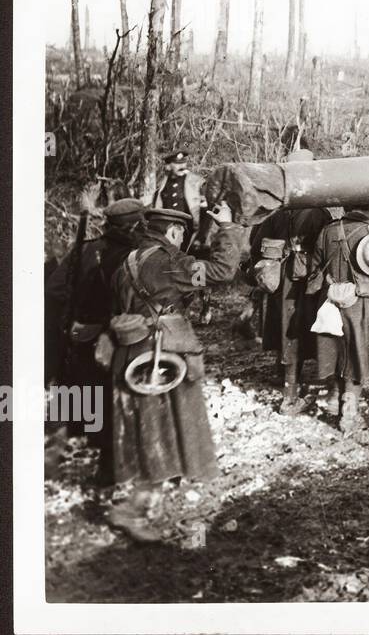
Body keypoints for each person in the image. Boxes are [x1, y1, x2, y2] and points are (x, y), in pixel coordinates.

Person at [102, 203, 240, 542]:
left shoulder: (127, 262)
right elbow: (221, 271)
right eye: (181, 235)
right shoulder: (170, 261)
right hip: (164, 357)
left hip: (132, 353)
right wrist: (227, 228)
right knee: (160, 434)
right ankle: (136, 511)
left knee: (147, 432)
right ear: (174, 232)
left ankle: (150, 507)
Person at [44, 198, 149, 471]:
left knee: (81, 385)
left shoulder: (87, 249)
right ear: (135, 225)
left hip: (83, 335)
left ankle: (76, 435)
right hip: (120, 336)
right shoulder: (141, 254)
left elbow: (54, 290)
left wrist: (72, 315)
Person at [250, 149, 332, 414]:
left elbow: (255, 245)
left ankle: (283, 375)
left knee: (284, 325)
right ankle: (290, 396)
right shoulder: (319, 212)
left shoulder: (275, 210)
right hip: (303, 278)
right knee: (296, 330)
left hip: (279, 277)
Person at [308, 208, 369, 433]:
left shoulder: (327, 230)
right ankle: (349, 412)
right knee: (357, 358)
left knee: (337, 353)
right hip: (361, 305)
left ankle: (334, 397)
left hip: (330, 300)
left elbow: (315, 266)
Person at [151, 149, 205, 234]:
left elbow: (204, 209)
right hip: (167, 230)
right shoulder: (162, 185)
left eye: (183, 163)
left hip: (189, 230)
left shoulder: (195, 183)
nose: (182, 166)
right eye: (177, 163)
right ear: (168, 166)